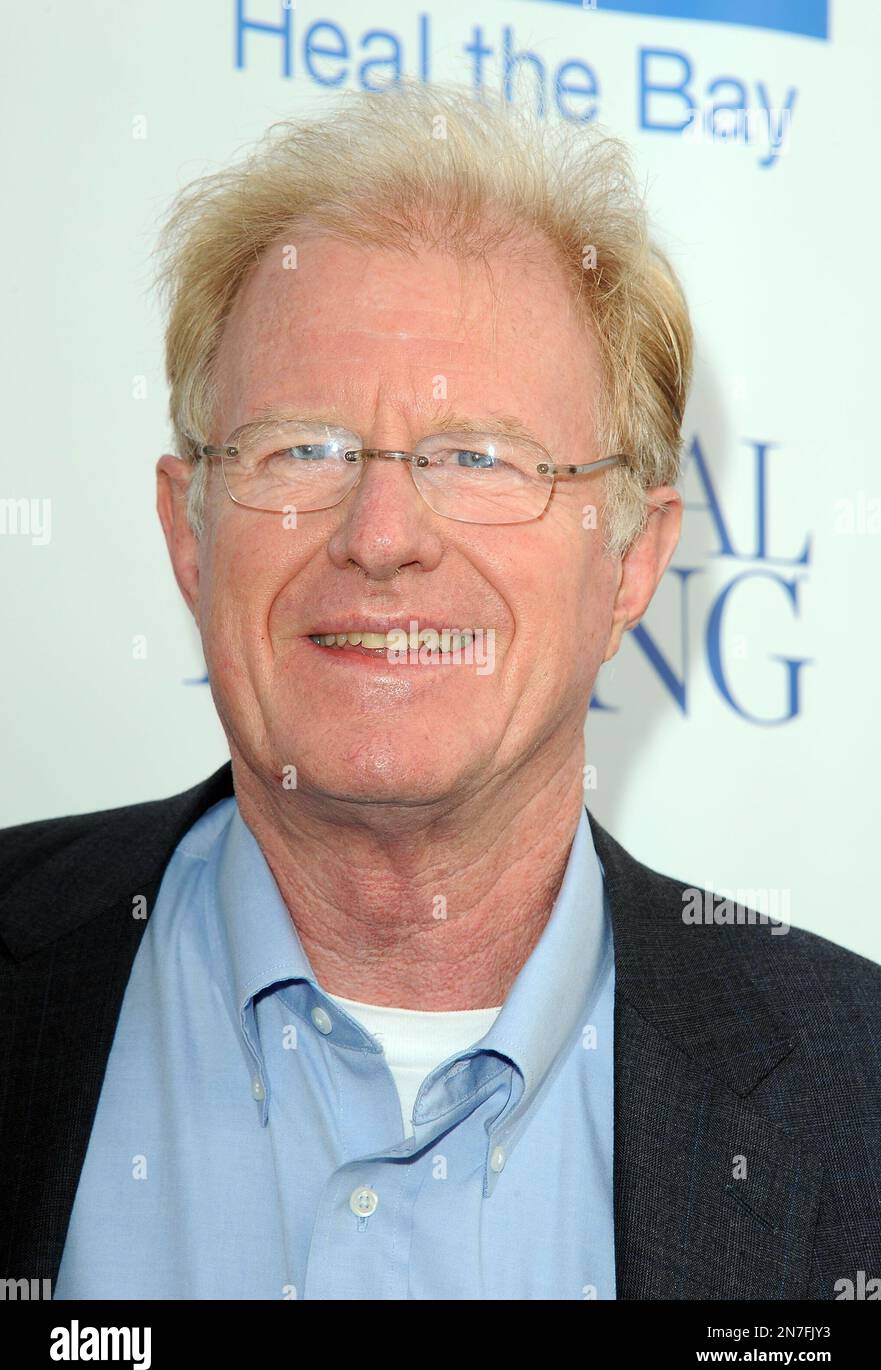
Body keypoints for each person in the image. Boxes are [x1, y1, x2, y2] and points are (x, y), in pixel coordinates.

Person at [1, 82, 878, 1301]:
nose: (379, 534)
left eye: (478, 457)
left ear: (628, 561)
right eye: (301, 447)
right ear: (189, 532)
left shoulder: (859, 1094)